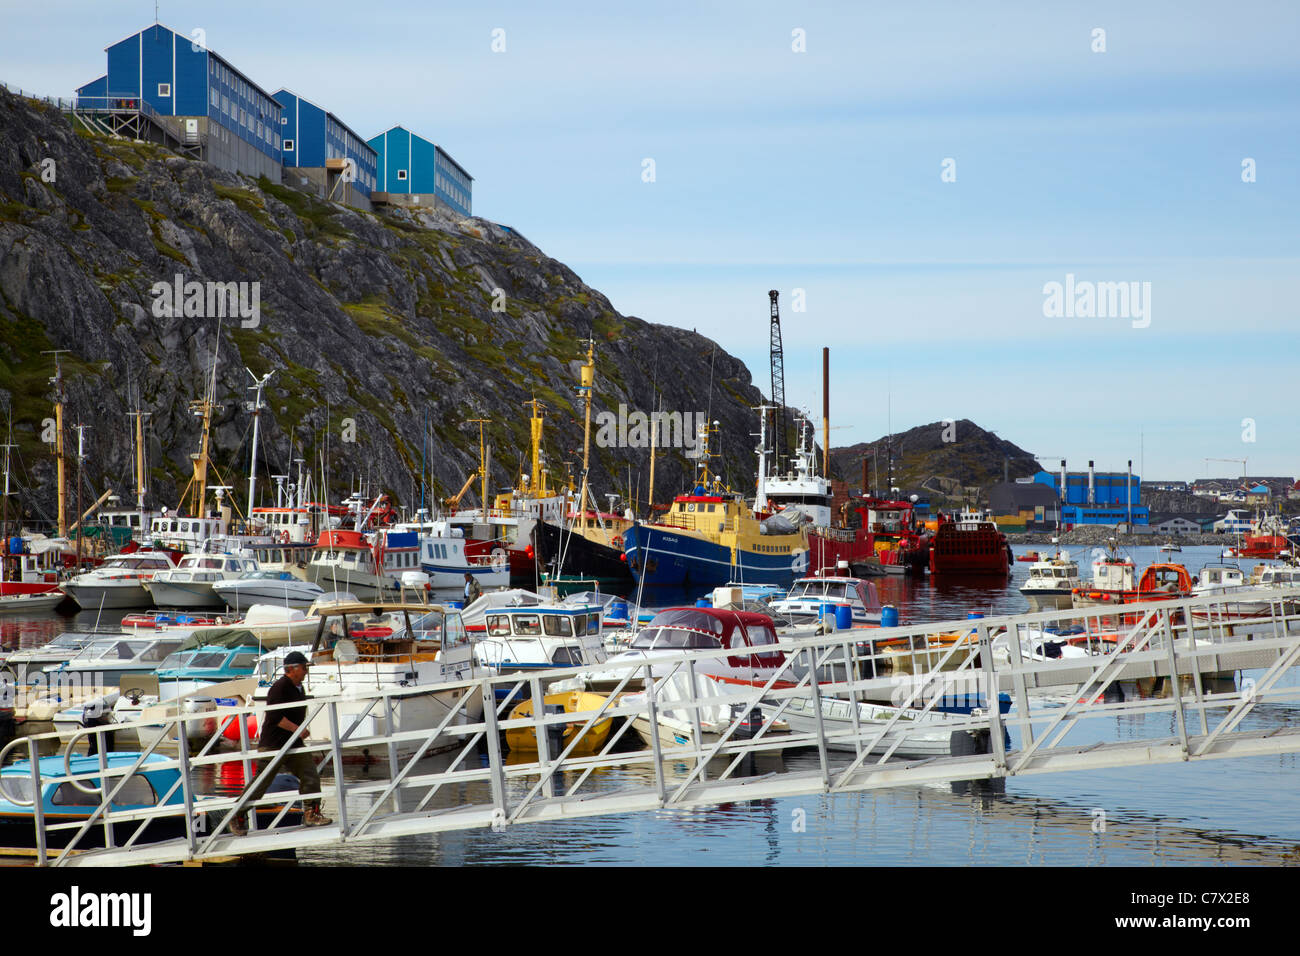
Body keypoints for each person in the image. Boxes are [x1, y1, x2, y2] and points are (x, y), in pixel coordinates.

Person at [229, 651, 331, 835]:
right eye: (303, 667)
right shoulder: (280, 687)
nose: (305, 670)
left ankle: (311, 812)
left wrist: (297, 733)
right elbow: (275, 716)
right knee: (262, 782)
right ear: (291, 669)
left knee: (310, 774)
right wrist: (297, 730)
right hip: (274, 743)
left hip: (292, 743)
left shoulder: (299, 687)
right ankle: (237, 815)